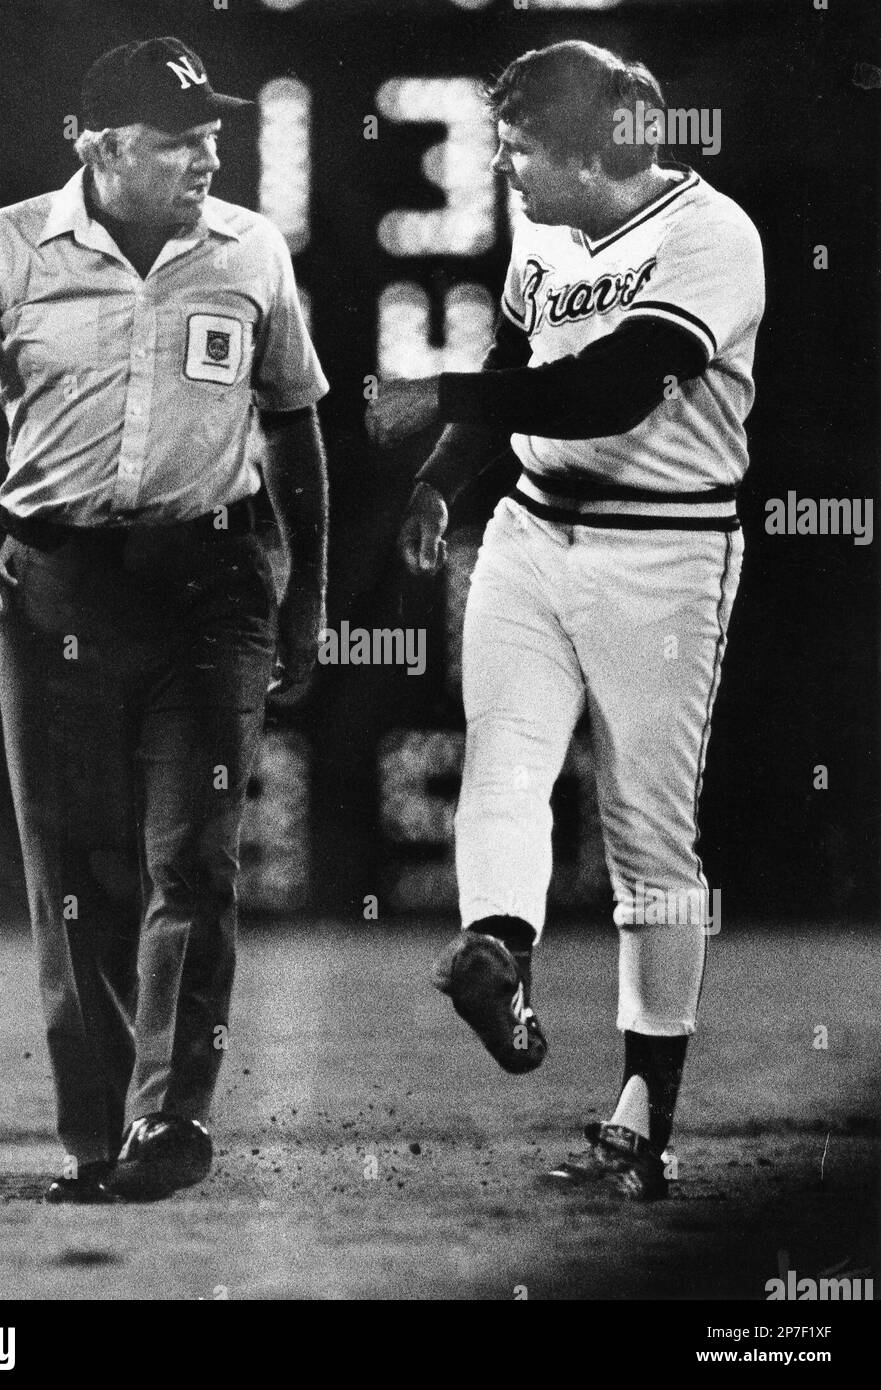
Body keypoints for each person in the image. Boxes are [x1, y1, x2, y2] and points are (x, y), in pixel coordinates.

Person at [0, 36, 329, 1203]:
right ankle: (98, 1141)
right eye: (183, 138)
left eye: (215, 134)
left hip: (213, 586)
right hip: (58, 587)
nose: (211, 155)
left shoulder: (251, 250)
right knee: (78, 870)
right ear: (103, 146)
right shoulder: (5, 247)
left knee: (195, 855)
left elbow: (295, 427)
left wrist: (309, 596)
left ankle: (171, 1121)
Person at [367, 40, 764, 1200]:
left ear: (604, 151)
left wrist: (439, 395)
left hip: (666, 548)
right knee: (504, 759)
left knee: (649, 832)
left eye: (523, 149)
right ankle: (500, 952)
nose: (505, 171)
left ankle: (643, 1123)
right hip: (534, 529)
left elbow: (610, 388)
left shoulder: (712, 235)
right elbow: (521, 359)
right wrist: (445, 478)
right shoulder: (542, 231)